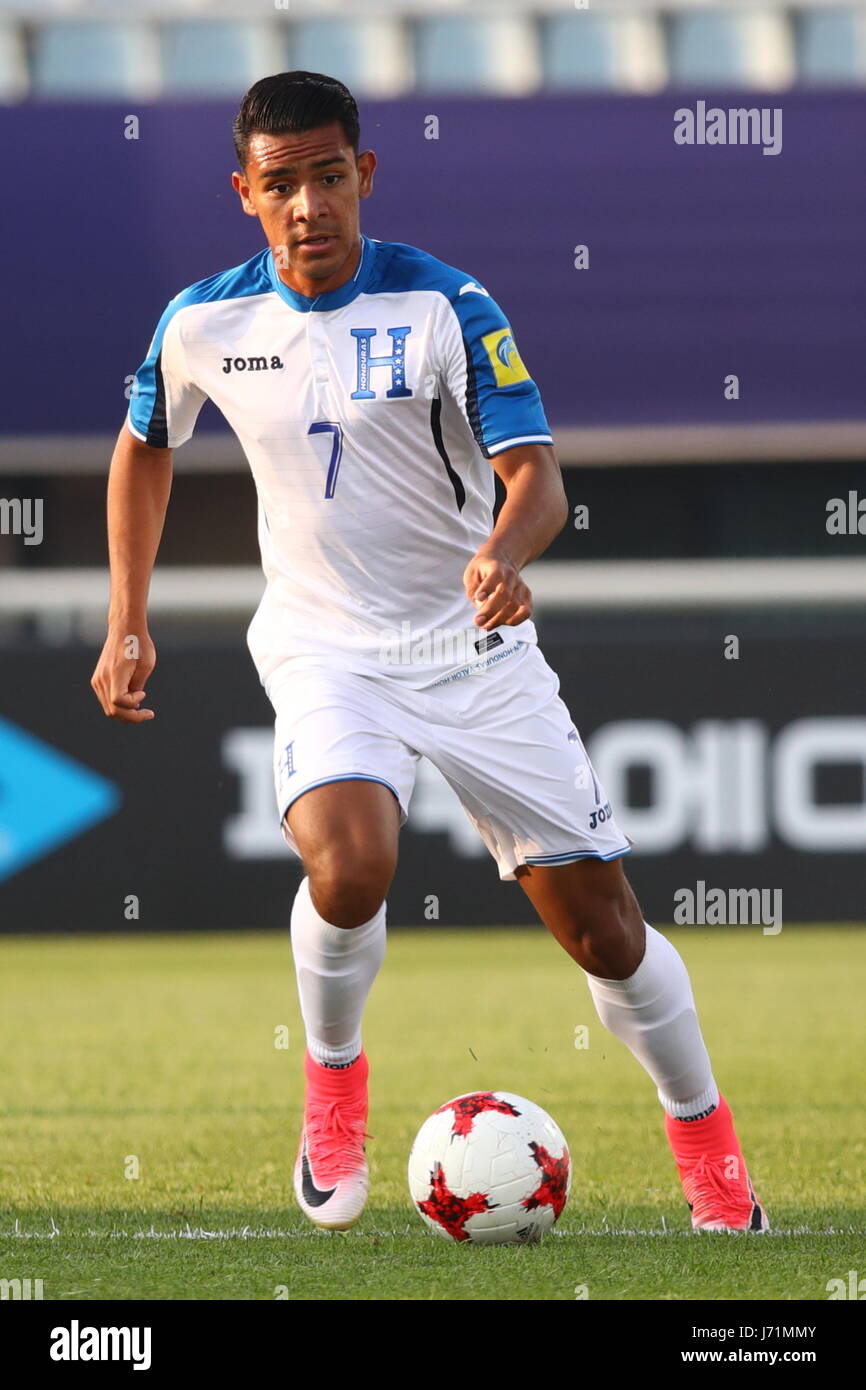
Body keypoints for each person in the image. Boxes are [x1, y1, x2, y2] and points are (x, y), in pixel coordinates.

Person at [91, 71, 767, 1236]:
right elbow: (145, 442)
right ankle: (333, 1095)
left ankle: (709, 1155)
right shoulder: (201, 320)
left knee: (604, 929)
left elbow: (537, 480)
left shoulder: (447, 305)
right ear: (244, 193)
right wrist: (126, 615)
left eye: (328, 174)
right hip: (323, 650)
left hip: (475, 650)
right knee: (348, 864)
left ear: (365, 173)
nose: (308, 202)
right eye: (281, 182)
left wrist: (506, 553)